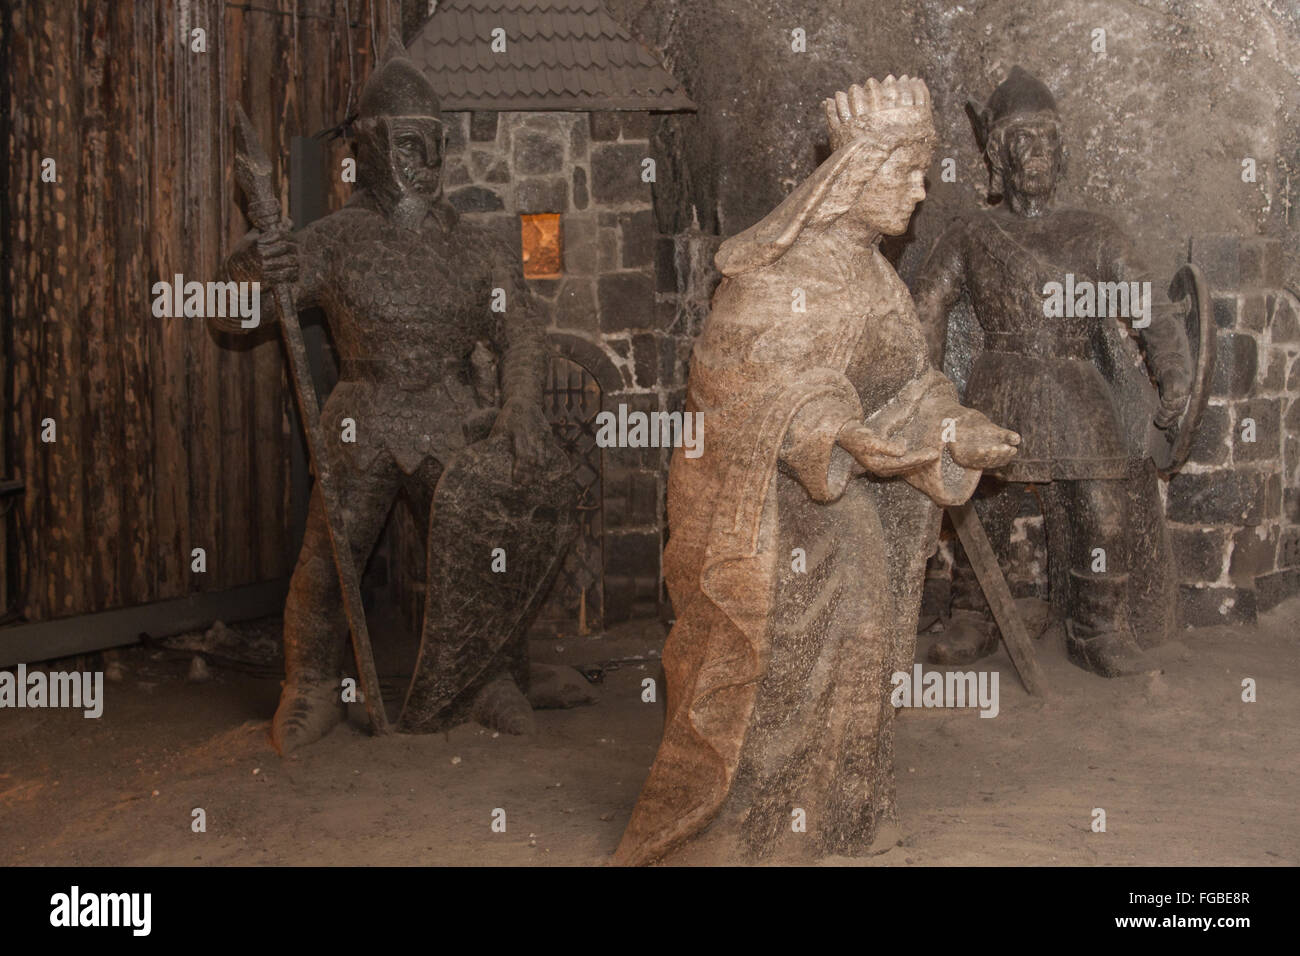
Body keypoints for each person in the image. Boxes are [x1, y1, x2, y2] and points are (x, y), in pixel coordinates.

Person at [614, 76, 1019, 865]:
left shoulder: (881, 283)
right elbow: (729, 393)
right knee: (838, 594)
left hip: (839, 500)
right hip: (761, 514)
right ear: (856, 174)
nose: (921, 190)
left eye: (922, 171)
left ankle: (839, 812)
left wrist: (958, 429)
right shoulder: (772, 278)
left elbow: (908, 391)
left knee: (868, 616)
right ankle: (746, 828)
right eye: (905, 171)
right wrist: (822, 429)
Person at [218, 33, 567, 753]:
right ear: (372, 148)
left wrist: (519, 401)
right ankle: (311, 681)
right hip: (362, 418)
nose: (427, 164)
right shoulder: (337, 240)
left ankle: (490, 677)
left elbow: (520, 333)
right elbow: (228, 309)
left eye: (435, 146)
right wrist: (253, 264)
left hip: (447, 412)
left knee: (481, 552)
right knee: (327, 558)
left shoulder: (475, 245)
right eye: (410, 146)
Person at [912, 67, 1192, 676]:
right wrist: (928, 391)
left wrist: (1174, 370)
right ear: (996, 155)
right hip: (999, 381)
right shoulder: (972, 233)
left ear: (1061, 153)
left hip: (1075, 386)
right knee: (980, 497)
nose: (1036, 152)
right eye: (1021, 140)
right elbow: (929, 305)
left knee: (1101, 505)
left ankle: (1097, 626)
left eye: (1046, 140)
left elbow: (1146, 301)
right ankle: (974, 612)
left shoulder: (1093, 232)